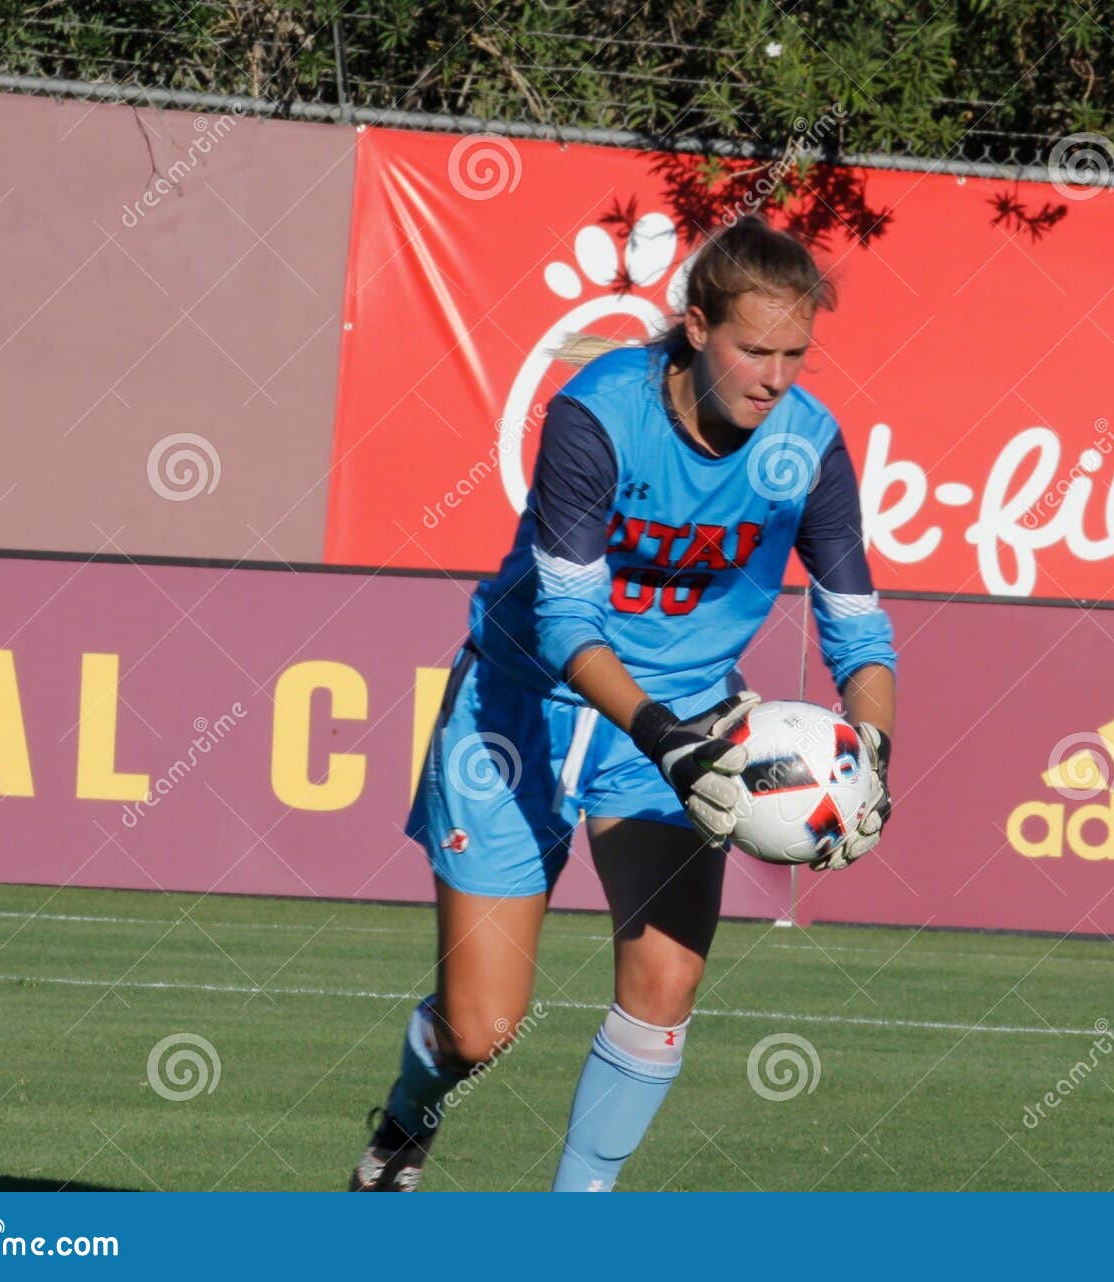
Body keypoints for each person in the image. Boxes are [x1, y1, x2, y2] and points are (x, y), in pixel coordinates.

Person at [349, 216, 897, 1192]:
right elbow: (565, 621)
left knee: (665, 982)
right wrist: (667, 742)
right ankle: (402, 1125)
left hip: (687, 718)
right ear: (694, 325)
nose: (775, 378)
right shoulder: (596, 413)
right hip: (523, 710)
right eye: (753, 349)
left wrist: (875, 747)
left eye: (794, 354)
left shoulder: (807, 445)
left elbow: (857, 626)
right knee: (478, 1029)